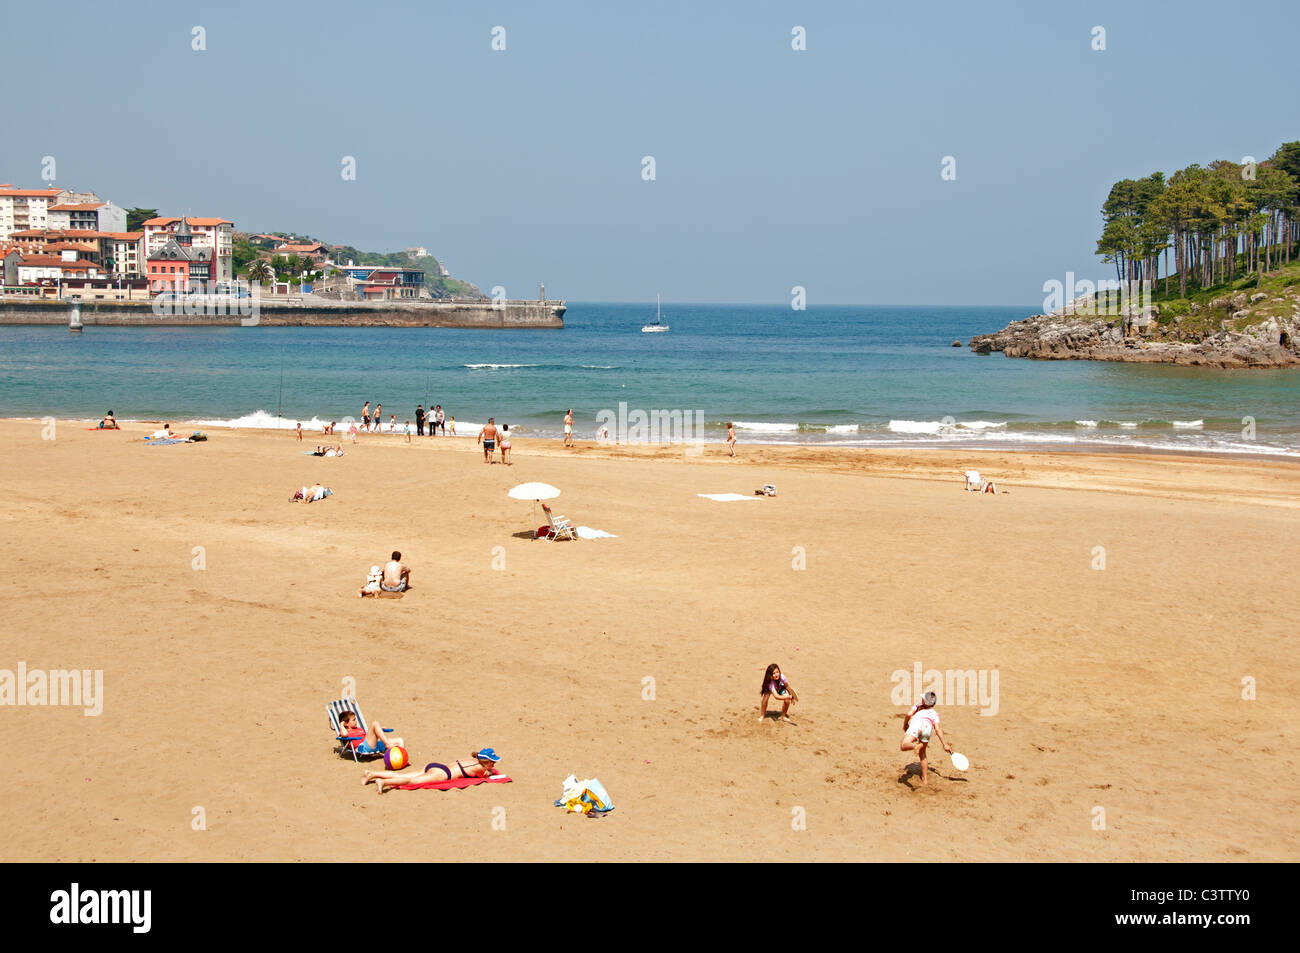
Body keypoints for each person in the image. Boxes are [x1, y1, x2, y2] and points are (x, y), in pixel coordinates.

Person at [363, 748, 502, 795]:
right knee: (410, 781)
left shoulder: (471, 758)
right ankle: (384, 782)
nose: (493, 764)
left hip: (436, 765)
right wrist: (489, 772)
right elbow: (485, 776)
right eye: (492, 762)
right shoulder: (480, 768)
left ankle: (372, 774)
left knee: (403, 775)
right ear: (486, 762)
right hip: (442, 774)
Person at [901, 690, 953, 786]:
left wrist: (905, 724)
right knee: (923, 754)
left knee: (904, 745)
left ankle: (915, 746)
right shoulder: (934, 714)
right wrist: (944, 744)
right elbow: (938, 729)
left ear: (924, 701)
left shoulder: (918, 705)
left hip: (917, 725)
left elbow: (909, 714)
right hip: (927, 729)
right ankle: (925, 780)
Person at [337, 709, 403, 754]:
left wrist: (379, 729)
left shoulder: (358, 728)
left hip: (372, 744)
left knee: (400, 740)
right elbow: (344, 735)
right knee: (375, 723)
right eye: (353, 720)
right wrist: (342, 725)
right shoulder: (345, 731)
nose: (356, 721)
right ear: (345, 723)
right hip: (362, 748)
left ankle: (402, 758)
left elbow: (369, 735)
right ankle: (388, 745)